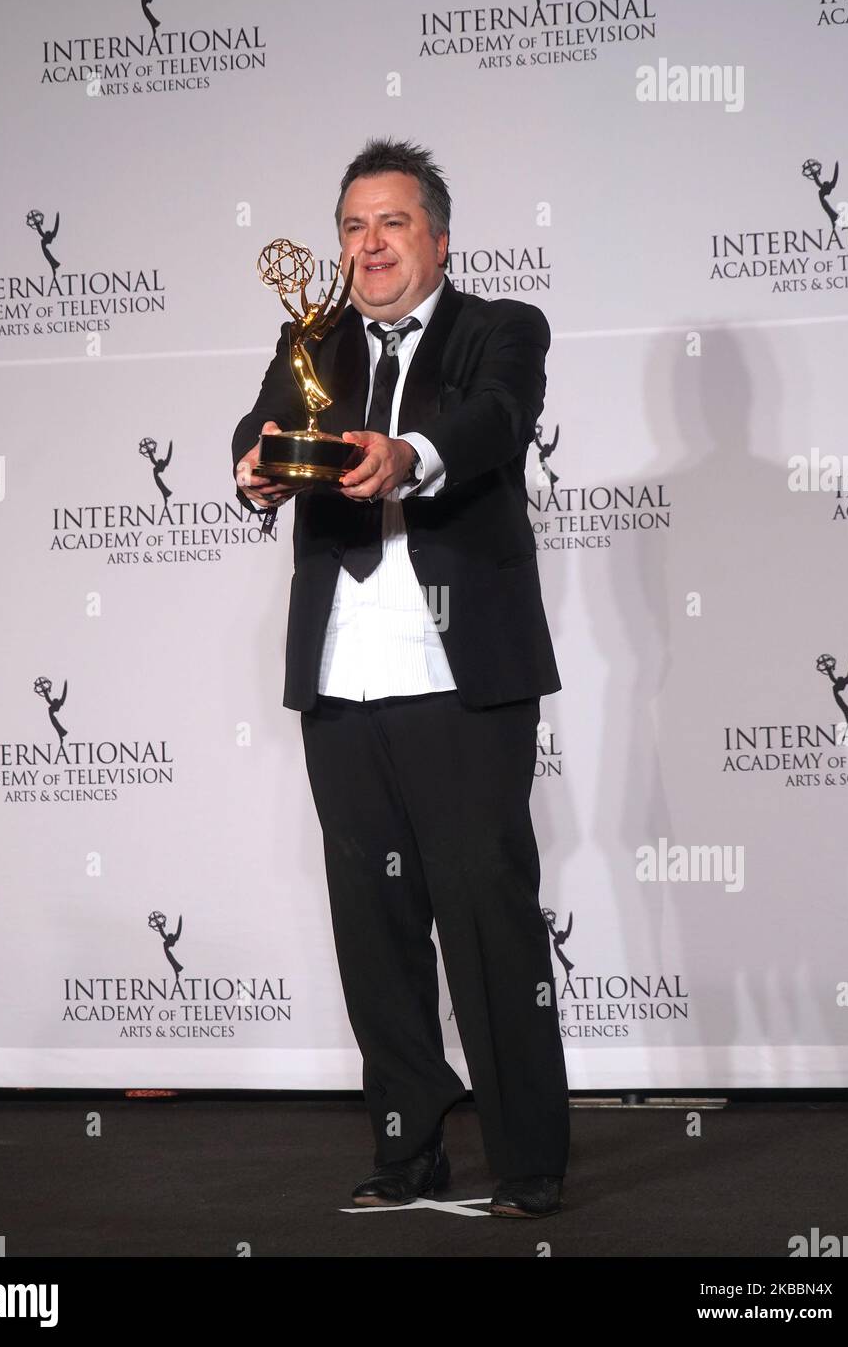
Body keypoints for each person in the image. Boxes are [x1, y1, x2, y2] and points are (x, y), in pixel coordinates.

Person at [232, 138, 569, 1218]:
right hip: (342, 670)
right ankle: (406, 1146)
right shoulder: (311, 339)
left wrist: (409, 452)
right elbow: (262, 425)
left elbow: (493, 421)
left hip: (458, 667)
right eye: (353, 226)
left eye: (392, 223)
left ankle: (527, 1161)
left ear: (437, 237)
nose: (370, 244)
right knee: (372, 922)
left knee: (485, 911)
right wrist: (253, 464)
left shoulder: (500, 328)